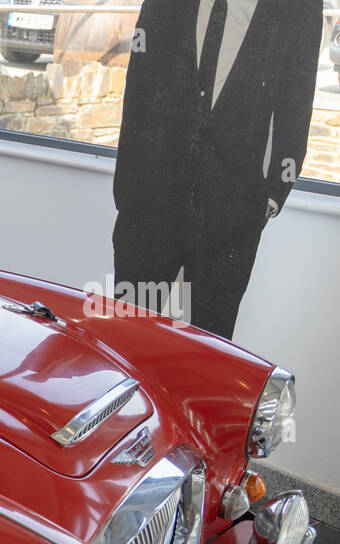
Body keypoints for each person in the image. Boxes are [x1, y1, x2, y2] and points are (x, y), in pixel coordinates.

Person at [112, 0, 324, 339]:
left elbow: (298, 97)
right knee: (128, 335)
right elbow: (140, 84)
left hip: (234, 208)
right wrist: (127, 188)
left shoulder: (298, 7)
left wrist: (271, 197)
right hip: (151, 202)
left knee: (212, 349)